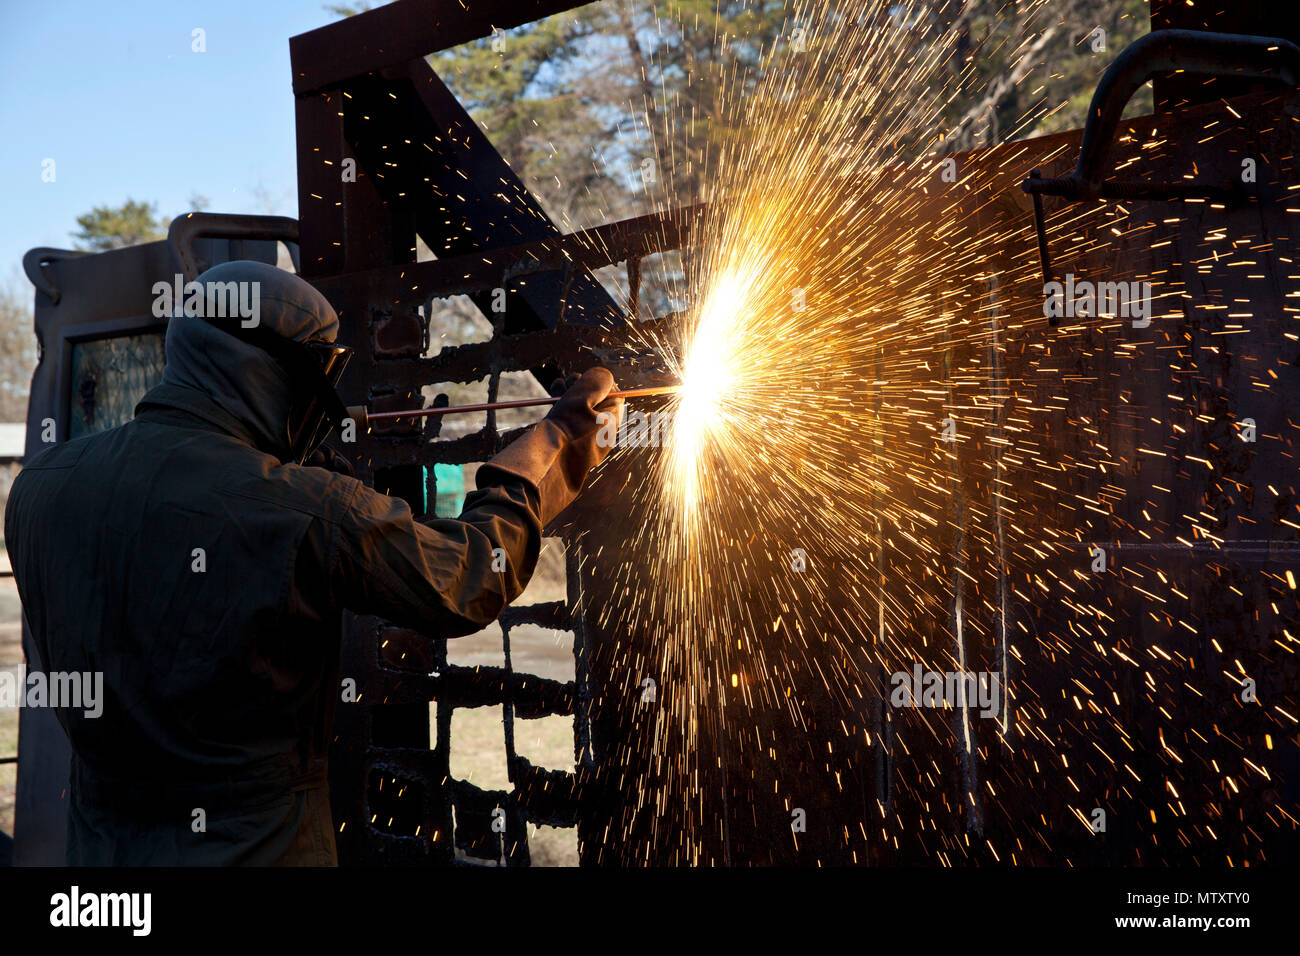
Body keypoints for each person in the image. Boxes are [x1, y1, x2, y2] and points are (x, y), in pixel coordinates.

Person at [3, 260, 622, 865]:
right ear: (279, 375)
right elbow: (469, 576)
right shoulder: (304, 508)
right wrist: (559, 440)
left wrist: (303, 495)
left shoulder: (40, 487)